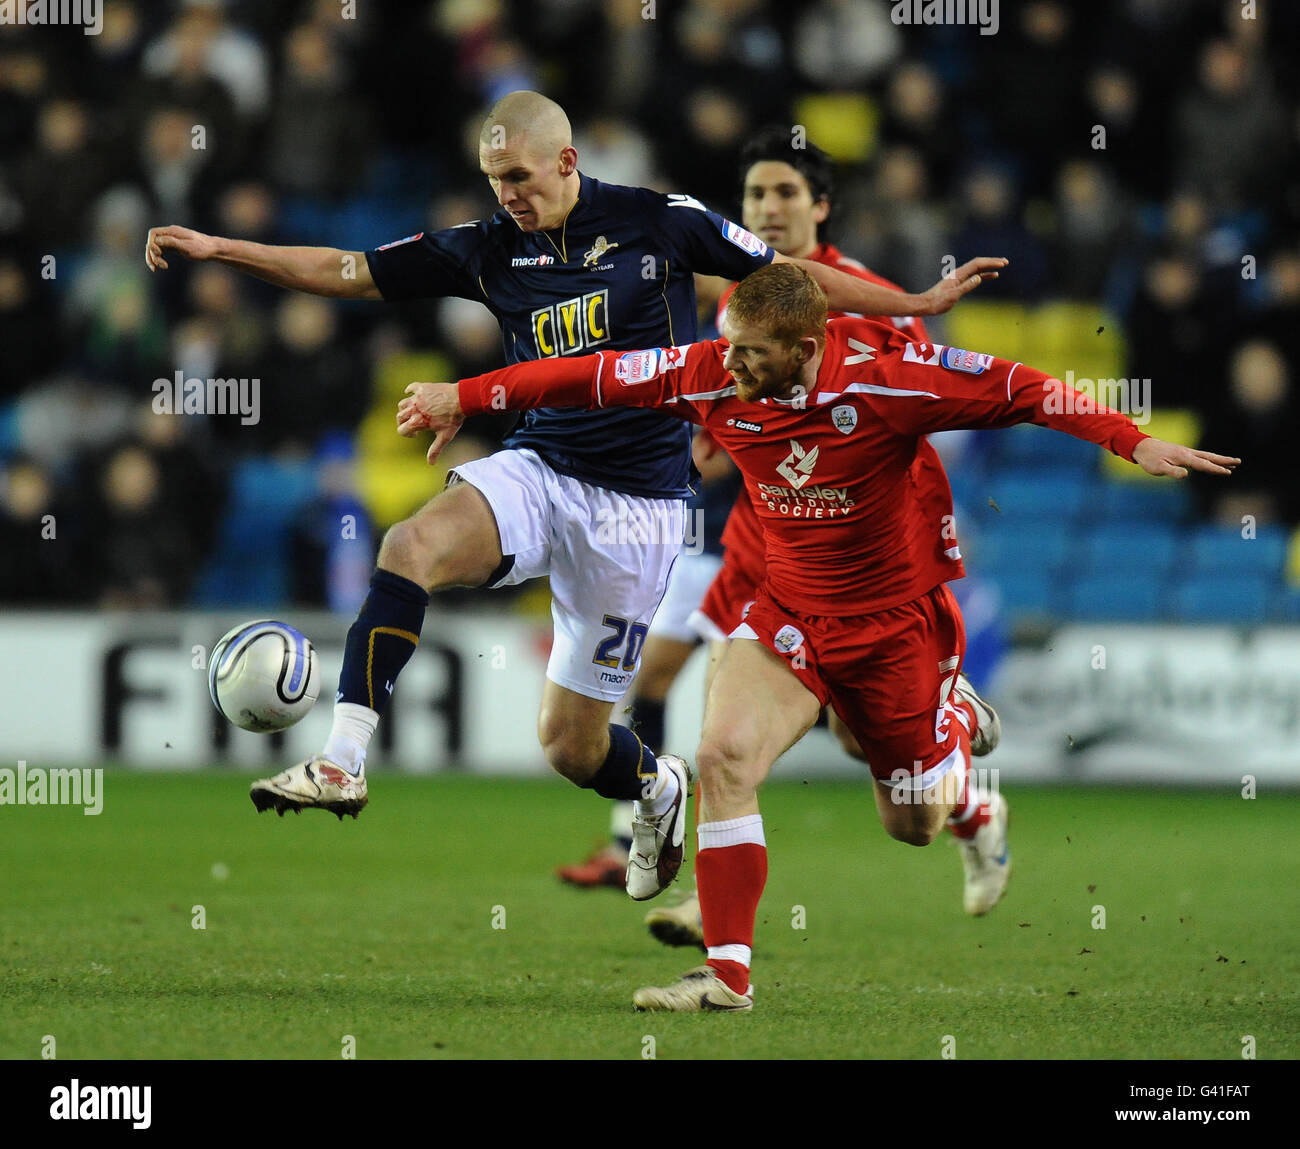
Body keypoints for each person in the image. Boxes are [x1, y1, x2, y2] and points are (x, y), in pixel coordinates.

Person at [145, 90, 1004, 903]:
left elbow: (790, 279)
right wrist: (225, 251)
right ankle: (342, 757)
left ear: (566, 159)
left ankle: (659, 786)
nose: (507, 195)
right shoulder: (486, 246)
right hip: (540, 467)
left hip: (639, 507)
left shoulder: (660, 220)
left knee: (570, 745)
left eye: (519, 177)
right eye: (494, 181)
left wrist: (915, 301)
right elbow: (348, 269)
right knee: (408, 545)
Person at [397, 262, 1238, 1011]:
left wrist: (1132, 440)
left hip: (893, 630)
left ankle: (958, 750)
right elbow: (589, 375)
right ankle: (727, 975)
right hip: (787, 615)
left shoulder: (893, 382)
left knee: (910, 823)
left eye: (751, 355)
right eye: (726, 348)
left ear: (805, 347)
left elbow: (1022, 387)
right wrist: (463, 396)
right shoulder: (709, 372)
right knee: (723, 756)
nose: (729, 367)